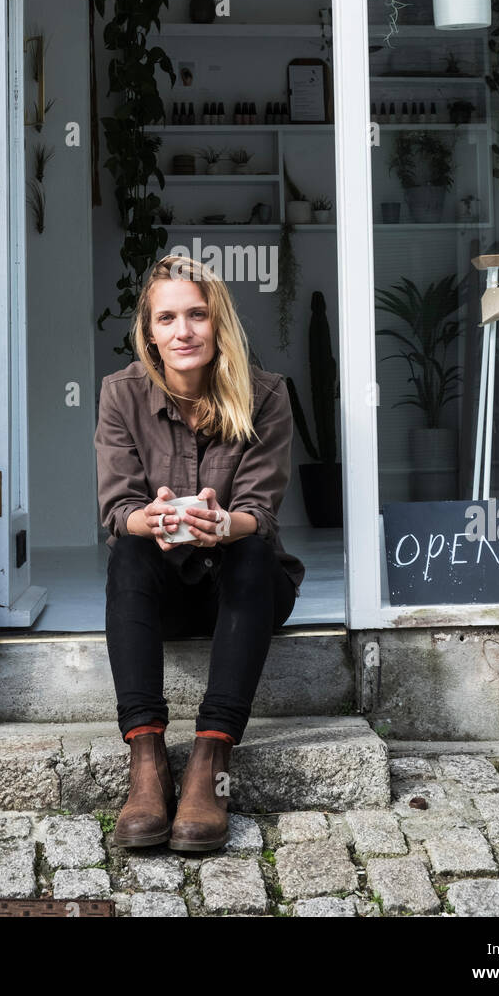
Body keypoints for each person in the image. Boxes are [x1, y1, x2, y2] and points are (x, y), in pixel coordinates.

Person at [94, 254, 305, 853]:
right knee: (129, 550)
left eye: (197, 315)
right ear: (149, 331)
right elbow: (116, 508)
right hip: (165, 597)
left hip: (245, 593)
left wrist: (223, 523)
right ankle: (146, 759)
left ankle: (212, 757)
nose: (182, 331)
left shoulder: (267, 395)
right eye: (167, 318)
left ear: (219, 324)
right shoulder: (121, 393)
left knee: (252, 550)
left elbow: (261, 512)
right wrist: (151, 518)